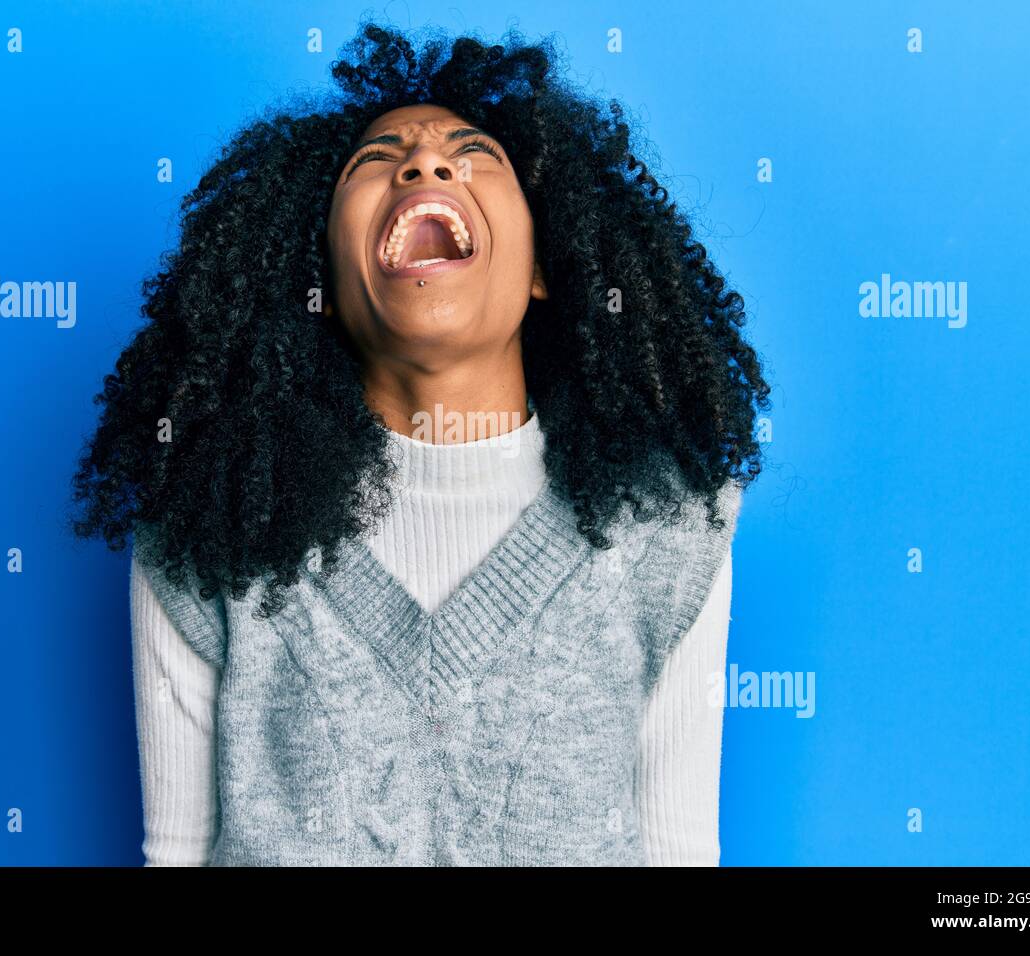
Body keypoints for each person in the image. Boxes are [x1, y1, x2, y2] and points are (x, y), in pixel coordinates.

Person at [71, 22, 770, 866]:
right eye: (378, 158)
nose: (424, 164)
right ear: (322, 280)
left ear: (546, 267)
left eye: (472, 153)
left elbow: (680, 852)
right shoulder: (205, 530)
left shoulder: (665, 530)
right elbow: (175, 855)